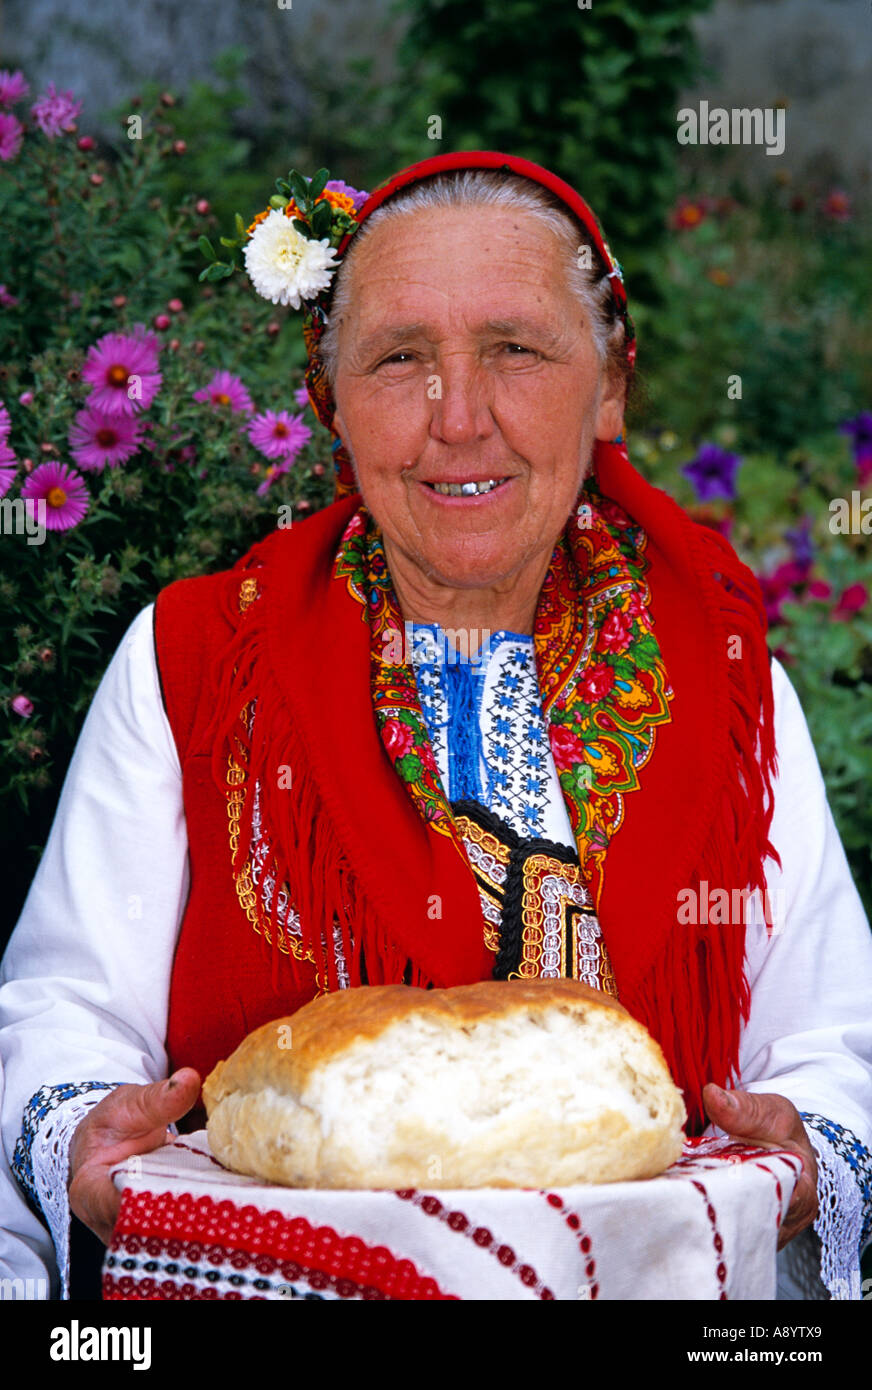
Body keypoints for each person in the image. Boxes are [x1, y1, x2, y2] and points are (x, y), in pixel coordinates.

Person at [1, 151, 870, 1301]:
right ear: (330, 399)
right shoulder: (195, 660)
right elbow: (65, 1010)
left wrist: (805, 1153)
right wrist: (84, 1132)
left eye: (514, 350)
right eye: (399, 358)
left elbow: (828, 1037)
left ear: (610, 384)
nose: (457, 419)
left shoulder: (722, 681)